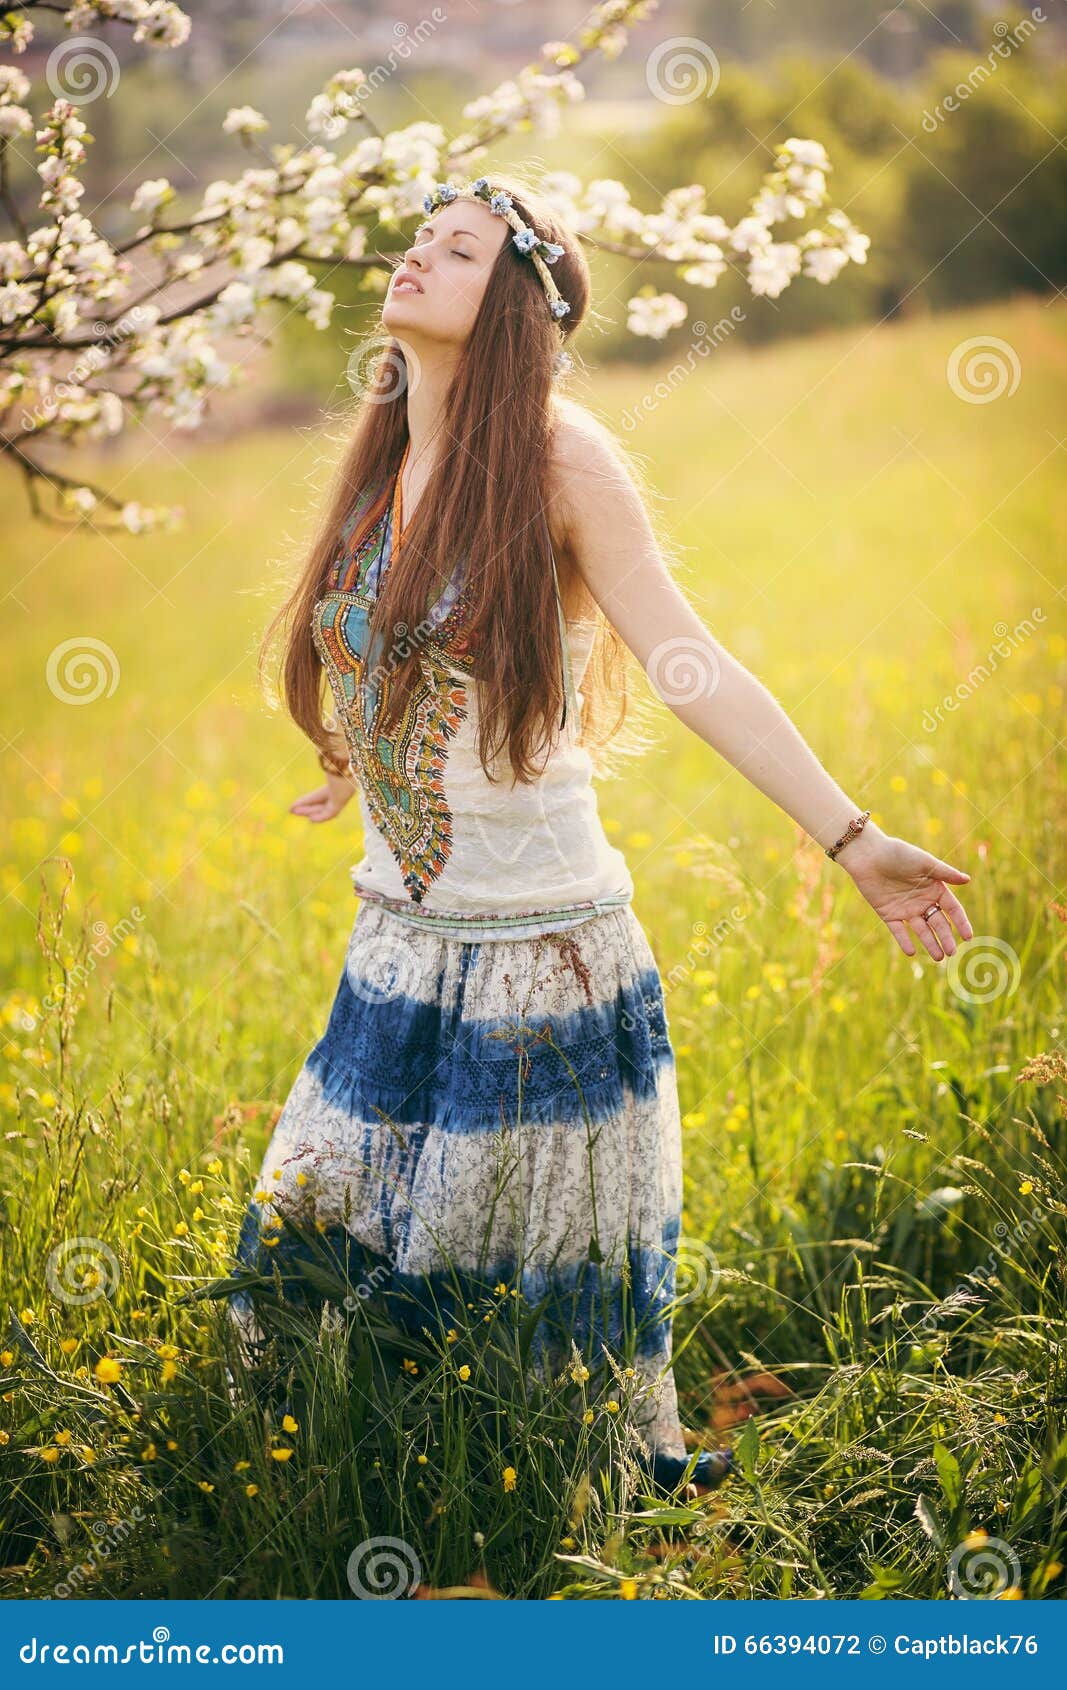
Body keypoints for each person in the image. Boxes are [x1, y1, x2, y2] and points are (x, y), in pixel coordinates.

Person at [229, 170, 973, 1504]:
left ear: (517, 303)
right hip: (398, 948)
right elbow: (389, 647)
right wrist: (360, 756)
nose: (414, 260)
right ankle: (360, 1495)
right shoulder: (387, 453)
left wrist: (849, 834)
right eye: (416, 241)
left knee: (520, 1342)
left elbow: (685, 662)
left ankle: (545, 1523)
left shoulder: (560, 458)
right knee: (328, 1285)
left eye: (455, 251)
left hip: (537, 958)